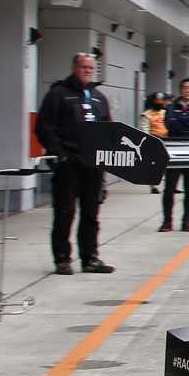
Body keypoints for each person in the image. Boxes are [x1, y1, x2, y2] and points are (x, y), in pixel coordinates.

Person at [35, 53, 114, 274]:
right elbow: (44, 127)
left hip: (93, 164)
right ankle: (62, 259)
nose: (88, 71)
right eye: (83, 67)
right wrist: (59, 153)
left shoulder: (99, 97)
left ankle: (90, 259)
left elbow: (108, 130)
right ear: (74, 68)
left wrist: (106, 160)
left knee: (91, 213)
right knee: (64, 212)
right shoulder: (58, 94)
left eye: (91, 68)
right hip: (68, 163)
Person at [160, 80, 189, 232]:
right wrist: (187, 124)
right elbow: (169, 124)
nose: (188, 90)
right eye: (185, 88)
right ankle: (167, 222)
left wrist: (181, 122)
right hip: (174, 153)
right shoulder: (172, 107)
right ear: (180, 90)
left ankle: (186, 221)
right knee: (169, 189)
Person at [140, 92, 169, 193]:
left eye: (161, 101)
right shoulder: (146, 115)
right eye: (157, 101)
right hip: (155, 142)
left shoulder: (165, 113)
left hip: (168, 141)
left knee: (168, 165)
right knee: (154, 165)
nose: (159, 103)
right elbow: (145, 130)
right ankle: (153, 186)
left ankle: (169, 185)